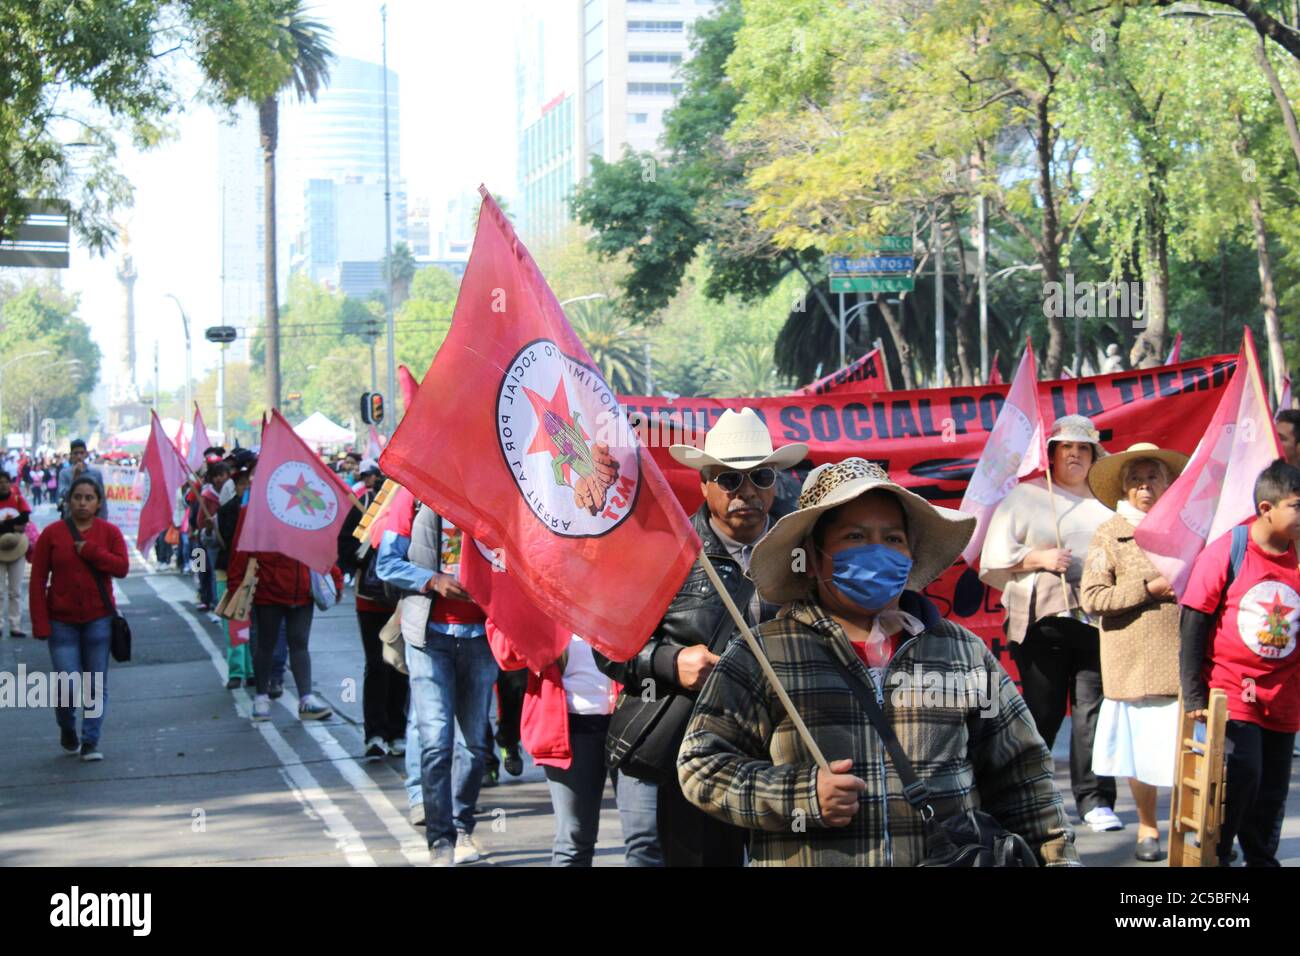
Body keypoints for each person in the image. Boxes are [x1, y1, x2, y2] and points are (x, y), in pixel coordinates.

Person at [678, 458, 1079, 866]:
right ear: (814, 559)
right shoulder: (763, 654)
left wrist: (1059, 860)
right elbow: (701, 766)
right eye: (854, 536)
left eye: (892, 539)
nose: (877, 551)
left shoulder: (963, 652)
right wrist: (801, 795)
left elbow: (1024, 775)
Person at [595, 407, 807, 867]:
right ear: (704, 483)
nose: (746, 491)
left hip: (783, 752)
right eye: (729, 479)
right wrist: (671, 663)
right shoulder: (666, 552)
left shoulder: (800, 552)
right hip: (687, 750)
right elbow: (610, 648)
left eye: (761, 477)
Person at [979, 414, 1122, 832]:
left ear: (1095, 455)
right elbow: (992, 560)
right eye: (1067, 448)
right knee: (1042, 713)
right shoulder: (1025, 497)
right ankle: (1029, 795)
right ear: (1052, 454)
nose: (1075, 454)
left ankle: (1096, 801)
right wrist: (1038, 559)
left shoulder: (1108, 503)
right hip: (1044, 624)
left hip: (1099, 622)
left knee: (1092, 713)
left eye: (1083, 448)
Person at [1180, 459, 1300, 866]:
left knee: (1272, 790)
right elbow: (1194, 620)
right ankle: (1219, 850)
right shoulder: (1228, 551)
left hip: (1285, 695)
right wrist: (1193, 691)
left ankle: (1261, 859)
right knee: (1243, 775)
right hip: (1231, 690)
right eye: (1297, 506)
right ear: (1267, 509)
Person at [376, 496, 499, 866]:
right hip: (429, 638)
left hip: (483, 636)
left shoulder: (494, 488)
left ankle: (462, 828)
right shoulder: (411, 495)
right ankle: (440, 840)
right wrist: (432, 580)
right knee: (435, 740)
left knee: (474, 744)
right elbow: (387, 563)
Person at [1081, 442, 1188, 862]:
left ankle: (1189, 827)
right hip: (1136, 659)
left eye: (1153, 478)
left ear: (1168, 484)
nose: (1145, 487)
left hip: (1187, 655)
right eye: (1137, 480)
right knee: (1142, 753)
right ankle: (1148, 826)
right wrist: (1148, 589)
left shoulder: (1188, 529)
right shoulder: (1110, 533)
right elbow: (1092, 597)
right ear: (1125, 489)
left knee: (1189, 751)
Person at [490, 627, 661, 866]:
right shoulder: (540, 592)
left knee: (646, 839)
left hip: (634, 719)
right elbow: (506, 654)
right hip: (570, 726)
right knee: (574, 839)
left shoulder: (623, 590)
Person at [30, 476, 129, 761]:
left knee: (96, 683)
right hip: (61, 622)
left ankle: (90, 740)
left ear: (98, 503)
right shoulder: (52, 534)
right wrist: (40, 622)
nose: (83, 503)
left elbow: (121, 567)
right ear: (68, 500)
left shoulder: (109, 533)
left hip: (99, 620)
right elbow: (37, 580)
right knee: (66, 683)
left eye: (89, 498)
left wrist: (92, 552)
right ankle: (66, 726)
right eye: (78, 497)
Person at [226, 494, 342, 722]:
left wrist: (335, 578)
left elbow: (321, 545)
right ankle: (261, 697)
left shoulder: (305, 506)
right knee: (267, 645)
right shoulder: (253, 512)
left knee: (299, 644)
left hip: (302, 591)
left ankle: (305, 699)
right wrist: (236, 587)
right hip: (268, 592)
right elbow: (241, 550)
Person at [337, 472, 407, 759]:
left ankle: (398, 730)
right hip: (369, 600)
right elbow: (345, 550)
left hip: (402, 600)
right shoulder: (363, 502)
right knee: (376, 665)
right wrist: (365, 550)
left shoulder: (409, 501)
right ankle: (375, 733)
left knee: (400, 665)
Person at [0, 470, 32, 637]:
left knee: (16, 590)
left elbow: (25, 518)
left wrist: (5, 526)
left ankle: (15, 624)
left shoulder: (18, 499)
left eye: (6, 481)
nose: (3, 484)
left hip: (17, 548)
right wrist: (12, 526)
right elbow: (18, 523)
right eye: (0, 482)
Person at [57, 439, 105, 517]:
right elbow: (64, 496)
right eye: (75, 453)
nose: (79, 456)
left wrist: (102, 519)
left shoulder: (95, 474)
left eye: (81, 453)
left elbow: (102, 498)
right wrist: (75, 477)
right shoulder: (64, 473)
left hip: (92, 517)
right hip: (71, 517)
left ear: (86, 454)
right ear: (71, 455)